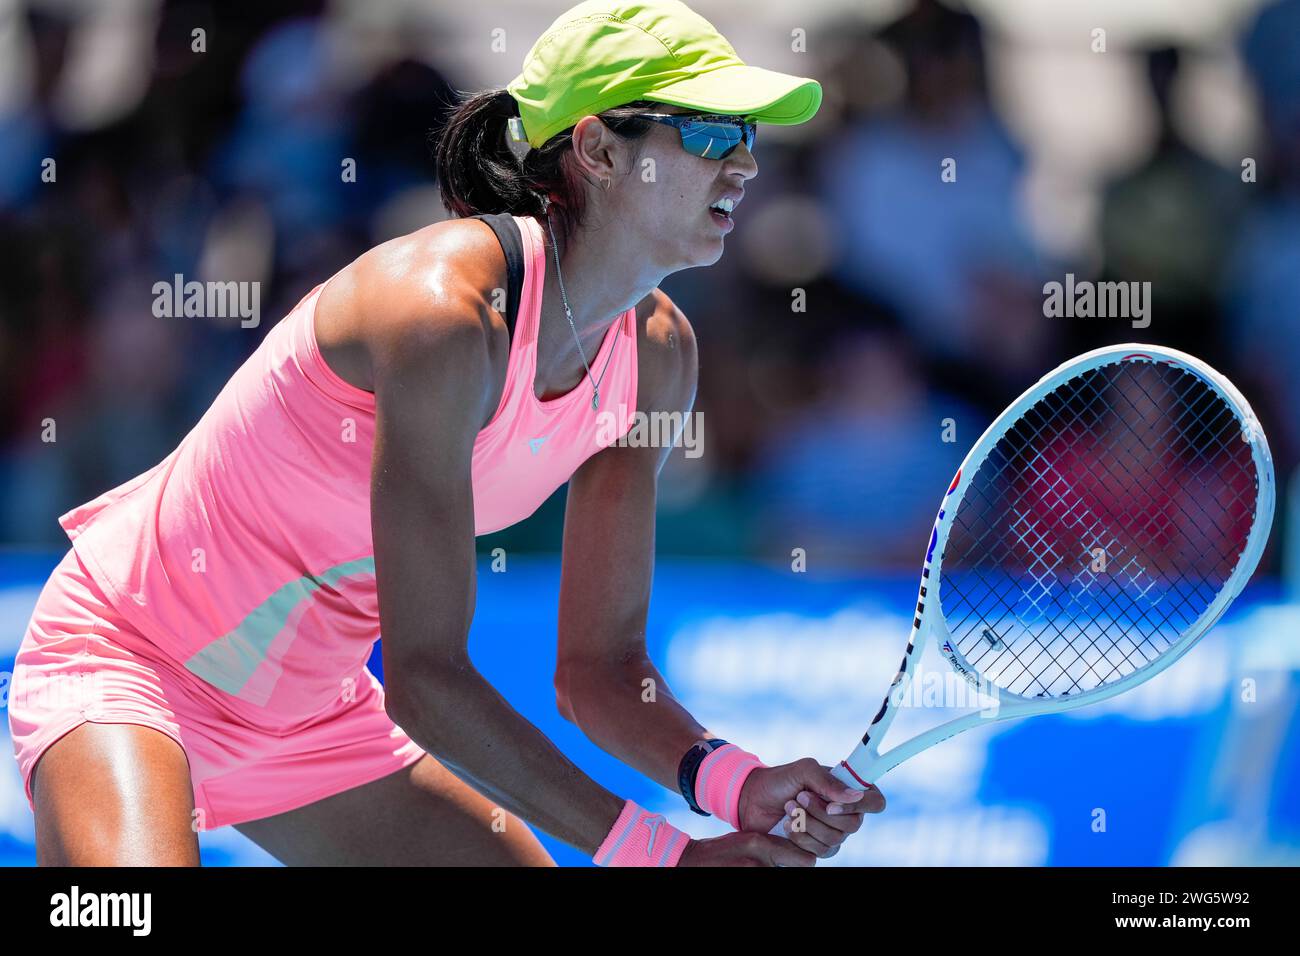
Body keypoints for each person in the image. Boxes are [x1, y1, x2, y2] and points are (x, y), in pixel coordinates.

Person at [9, 0, 883, 867]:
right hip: (131, 661)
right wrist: (662, 856)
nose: (739, 163)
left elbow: (598, 672)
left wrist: (735, 783)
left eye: (747, 136)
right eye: (705, 134)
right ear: (599, 150)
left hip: (311, 716)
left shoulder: (660, 356)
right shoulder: (442, 315)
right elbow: (426, 681)